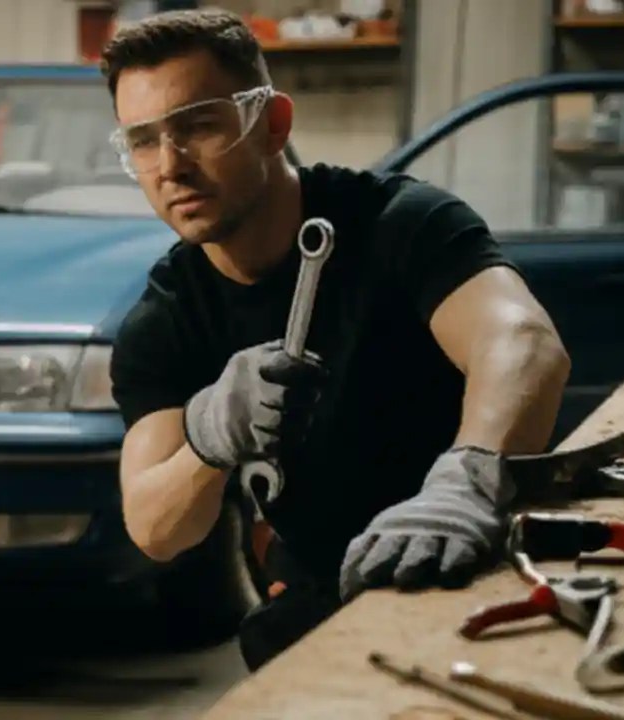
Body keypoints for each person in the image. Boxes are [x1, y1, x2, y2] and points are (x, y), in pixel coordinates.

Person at [100, 8, 571, 670]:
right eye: (144, 141)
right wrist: (206, 441)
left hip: (481, 563)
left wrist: (467, 483)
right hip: (326, 596)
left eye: (199, 126)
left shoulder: (401, 223)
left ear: (273, 124)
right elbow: (156, 529)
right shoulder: (166, 319)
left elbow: (524, 343)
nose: (170, 166)